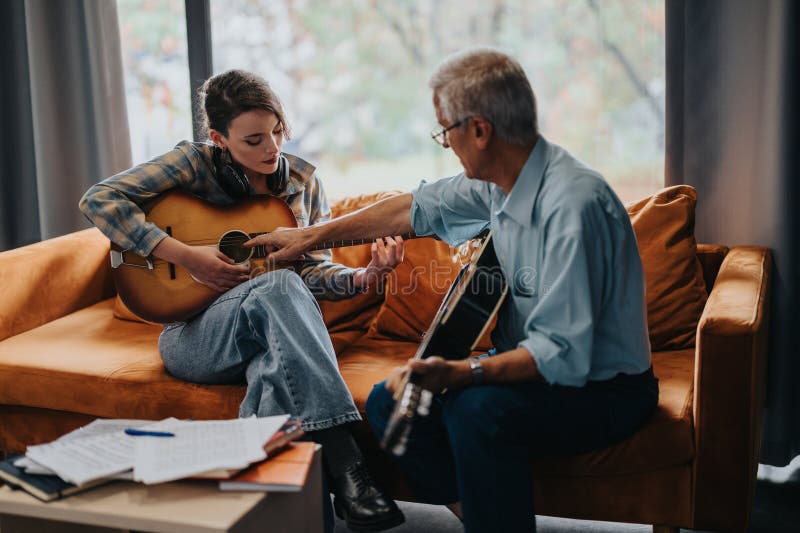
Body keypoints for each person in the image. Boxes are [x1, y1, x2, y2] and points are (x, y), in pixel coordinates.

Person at [250, 47, 660, 532]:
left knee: (476, 409)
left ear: (480, 131)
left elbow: (561, 356)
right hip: (536, 372)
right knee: (389, 402)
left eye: (446, 130)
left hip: (602, 389)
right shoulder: (497, 183)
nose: (445, 142)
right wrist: (306, 237)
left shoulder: (573, 206)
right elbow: (410, 210)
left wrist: (465, 372)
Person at [79, 69, 405, 532]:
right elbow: (99, 198)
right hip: (194, 337)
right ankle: (346, 459)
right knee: (279, 288)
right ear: (219, 138)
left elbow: (311, 271)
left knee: (277, 353)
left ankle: (293, 515)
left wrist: (365, 275)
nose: (272, 148)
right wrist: (186, 257)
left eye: (277, 132)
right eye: (254, 139)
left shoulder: (303, 182)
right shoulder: (192, 165)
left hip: (275, 331)